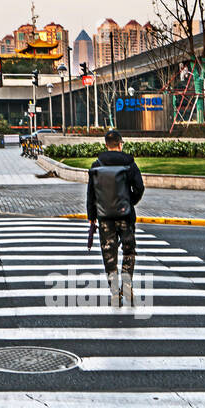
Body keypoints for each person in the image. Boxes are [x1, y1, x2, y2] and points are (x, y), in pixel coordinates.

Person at [86, 129, 145, 306]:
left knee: (109, 253)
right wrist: (130, 202)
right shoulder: (129, 164)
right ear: (120, 144)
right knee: (128, 251)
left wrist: (92, 216)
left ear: (106, 145)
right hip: (125, 217)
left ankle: (114, 292)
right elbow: (140, 188)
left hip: (105, 217)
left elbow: (91, 193)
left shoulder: (97, 165)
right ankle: (126, 285)